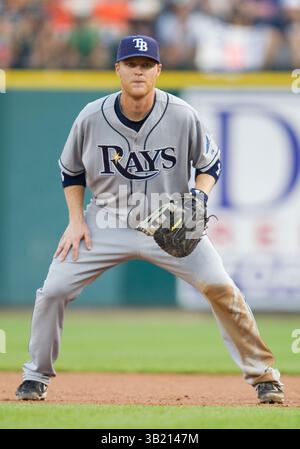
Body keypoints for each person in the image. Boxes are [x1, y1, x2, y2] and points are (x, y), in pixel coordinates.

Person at [16, 34, 284, 404]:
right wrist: (76, 220)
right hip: (106, 221)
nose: (138, 71)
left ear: (158, 70)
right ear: (118, 70)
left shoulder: (182, 114)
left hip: (170, 219)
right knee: (53, 291)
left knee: (221, 288)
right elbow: (71, 172)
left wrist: (198, 196)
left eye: (145, 65)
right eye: (131, 64)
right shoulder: (92, 116)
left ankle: (264, 376)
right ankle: (35, 376)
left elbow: (210, 164)